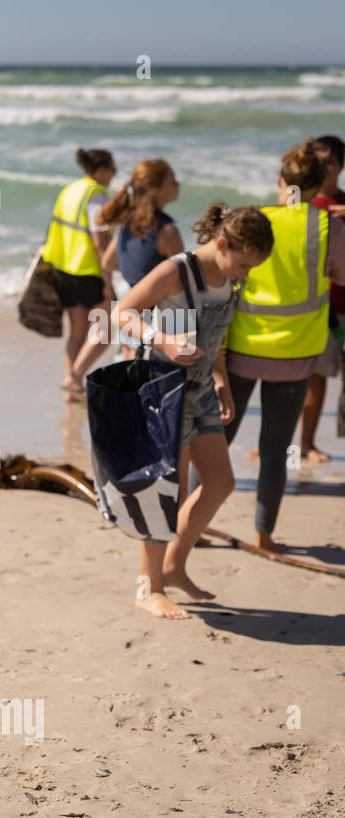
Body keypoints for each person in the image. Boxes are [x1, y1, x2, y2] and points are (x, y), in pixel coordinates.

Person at [111, 205, 273, 619]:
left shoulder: (228, 278)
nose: (245, 274)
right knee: (168, 493)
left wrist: (221, 379)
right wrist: (160, 339)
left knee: (220, 482)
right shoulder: (176, 271)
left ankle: (174, 567)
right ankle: (148, 589)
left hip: (201, 389)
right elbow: (122, 313)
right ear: (221, 245)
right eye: (242, 265)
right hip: (164, 391)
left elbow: (215, 337)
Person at [225, 139, 345, 552]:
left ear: (280, 180)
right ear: (321, 183)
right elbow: (342, 276)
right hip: (295, 355)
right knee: (276, 449)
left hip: (242, 349)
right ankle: (264, 536)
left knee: (215, 441)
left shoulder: (253, 222)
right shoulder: (328, 225)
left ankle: (187, 520)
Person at [79, 158, 183, 368]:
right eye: (172, 181)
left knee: (132, 375)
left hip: (130, 304)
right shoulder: (166, 230)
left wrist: (136, 270)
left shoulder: (128, 223)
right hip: (162, 313)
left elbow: (108, 262)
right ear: (155, 190)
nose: (178, 185)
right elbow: (182, 280)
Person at [40, 148, 116, 401]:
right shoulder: (95, 196)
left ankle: (73, 389)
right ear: (102, 169)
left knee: (77, 332)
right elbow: (99, 243)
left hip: (62, 268)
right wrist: (108, 281)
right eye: (112, 170)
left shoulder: (69, 190)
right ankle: (74, 378)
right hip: (87, 270)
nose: (113, 176)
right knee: (104, 332)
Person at [298, 135, 345, 463]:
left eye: (328, 161)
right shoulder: (304, 206)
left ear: (340, 165)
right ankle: (304, 444)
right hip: (319, 308)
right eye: (317, 161)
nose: (322, 167)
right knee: (313, 377)